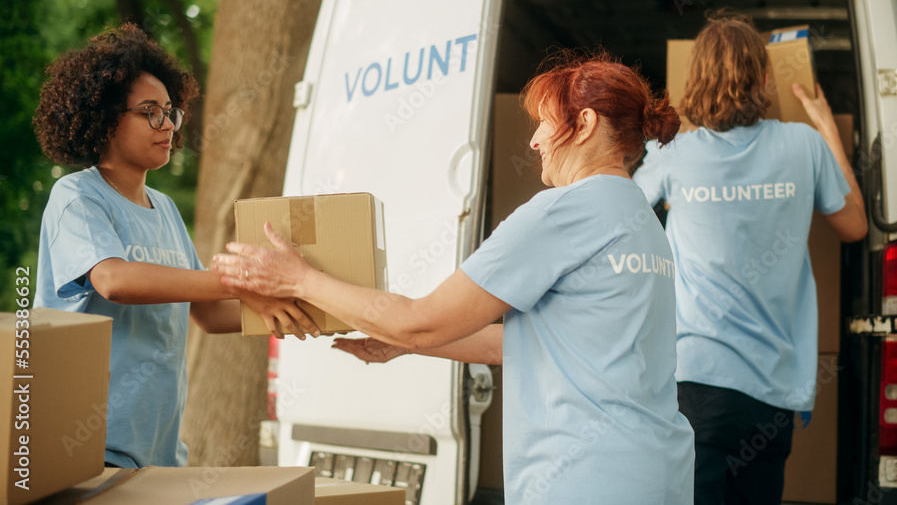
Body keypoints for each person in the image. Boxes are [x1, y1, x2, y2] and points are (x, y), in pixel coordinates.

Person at [213, 51, 696, 504]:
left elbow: (419, 319)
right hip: (656, 472)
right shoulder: (639, 217)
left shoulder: (564, 211)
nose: (534, 140)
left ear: (585, 123)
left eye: (545, 123)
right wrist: (410, 344)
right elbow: (529, 346)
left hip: (585, 480)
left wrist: (298, 280)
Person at [32, 23, 317, 469]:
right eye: (149, 111)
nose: (166, 124)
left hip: (160, 455)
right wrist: (244, 280)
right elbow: (114, 280)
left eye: (170, 111)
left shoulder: (163, 208)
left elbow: (207, 313)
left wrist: (299, 303)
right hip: (86, 451)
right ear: (105, 117)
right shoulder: (77, 197)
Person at [632, 13, 867, 505]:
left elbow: (617, 212)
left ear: (694, 82)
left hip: (695, 381)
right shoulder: (804, 146)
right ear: (764, 79)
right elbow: (855, 226)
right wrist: (826, 127)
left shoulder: (672, 154)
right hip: (773, 390)